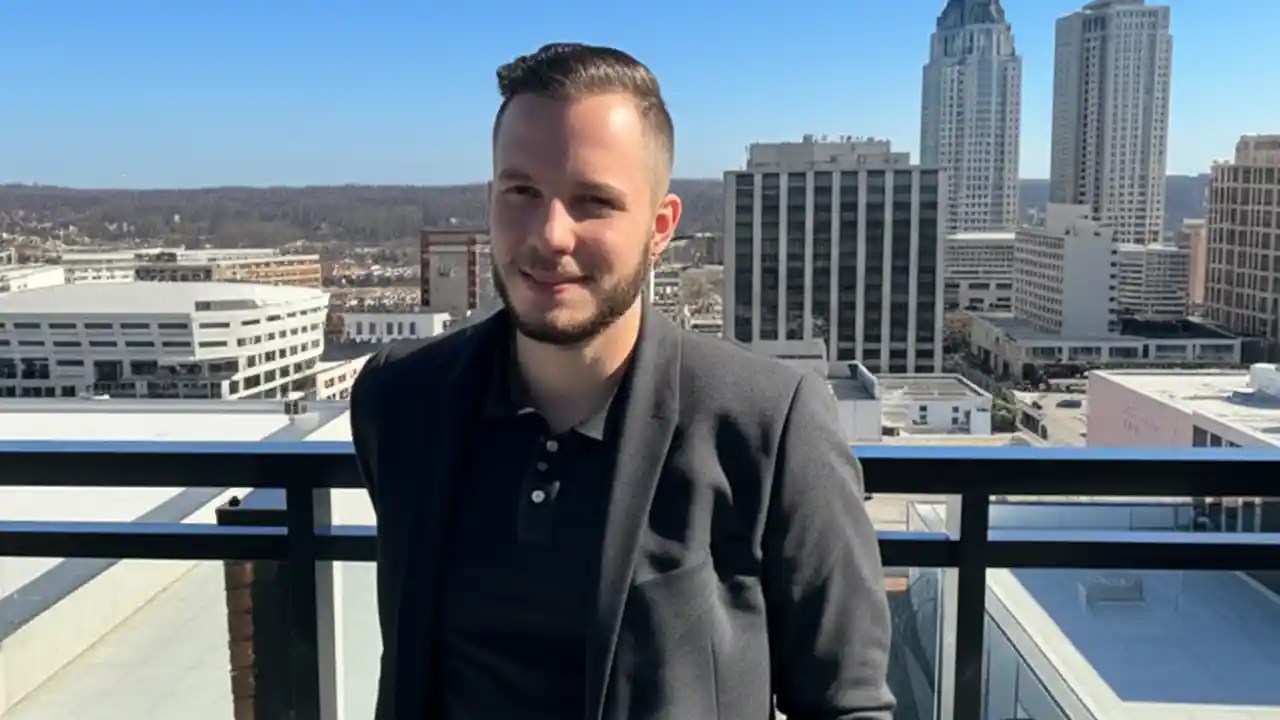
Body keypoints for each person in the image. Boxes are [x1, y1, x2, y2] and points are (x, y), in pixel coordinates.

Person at [350, 42, 894, 720]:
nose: (551, 234)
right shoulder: (399, 402)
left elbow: (848, 704)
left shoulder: (765, 426)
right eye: (522, 192)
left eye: (593, 201)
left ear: (660, 228)